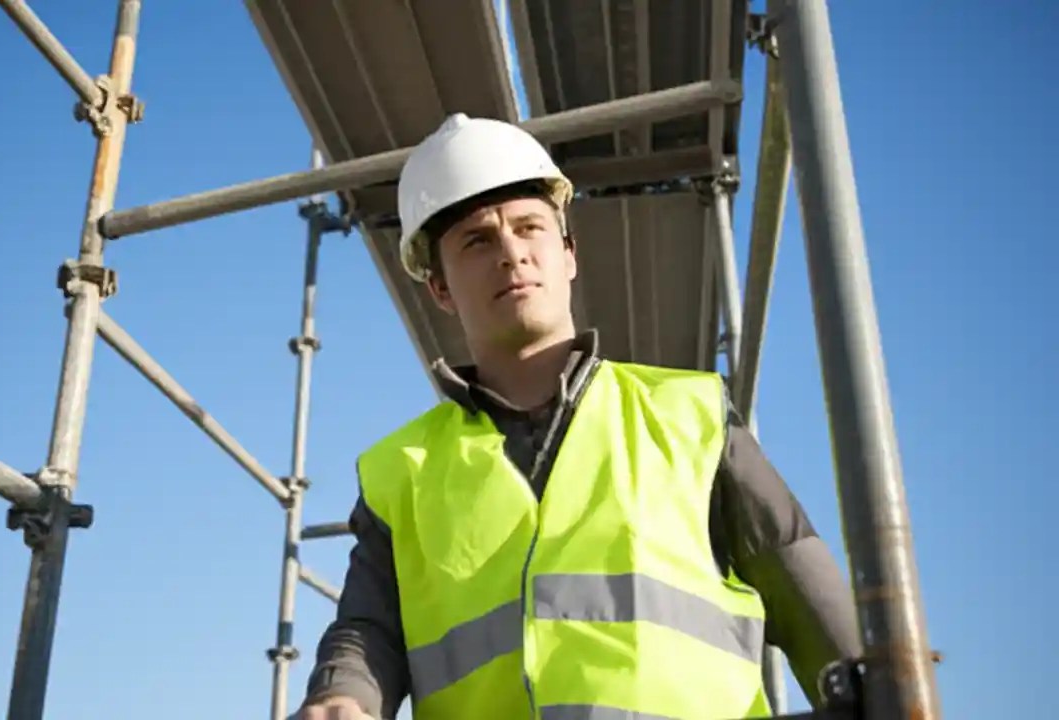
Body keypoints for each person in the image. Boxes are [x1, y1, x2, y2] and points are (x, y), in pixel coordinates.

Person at [296, 114, 862, 720]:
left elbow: (802, 582)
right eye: (477, 241)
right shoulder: (400, 474)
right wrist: (340, 696)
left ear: (568, 254)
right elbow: (368, 632)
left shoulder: (689, 415)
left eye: (530, 227)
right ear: (439, 287)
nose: (511, 253)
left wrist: (878, 682)